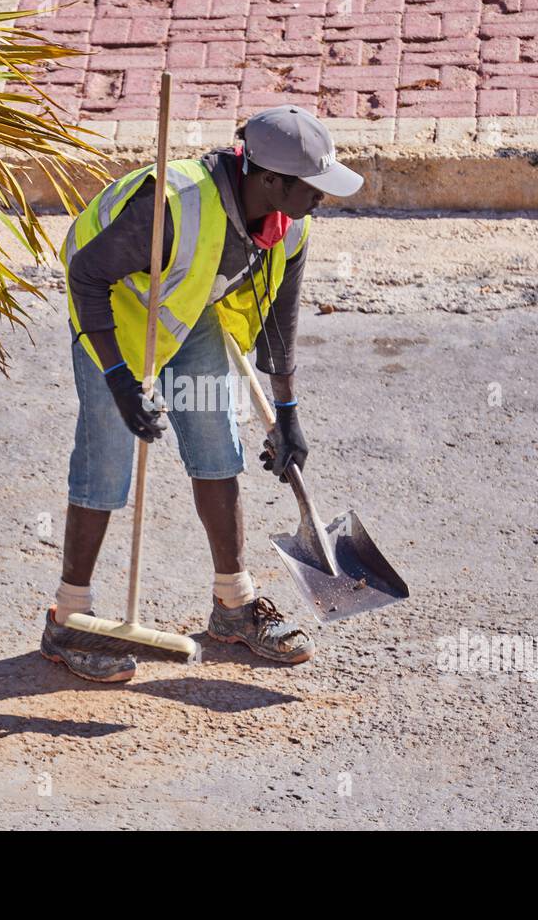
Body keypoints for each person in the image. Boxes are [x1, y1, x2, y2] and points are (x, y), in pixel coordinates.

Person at [41, 105, 364, 682]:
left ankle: (233, 606)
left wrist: (287, 414)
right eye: (312, 187)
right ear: (270, 180)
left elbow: (277, 321)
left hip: (187, 315)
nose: (323, 198)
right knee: (107, 463)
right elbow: (87, 275)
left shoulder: (291, 224)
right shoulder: (170, 206)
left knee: (217, 446)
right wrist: (119, 379)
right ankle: (69, 617)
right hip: (113, 314)